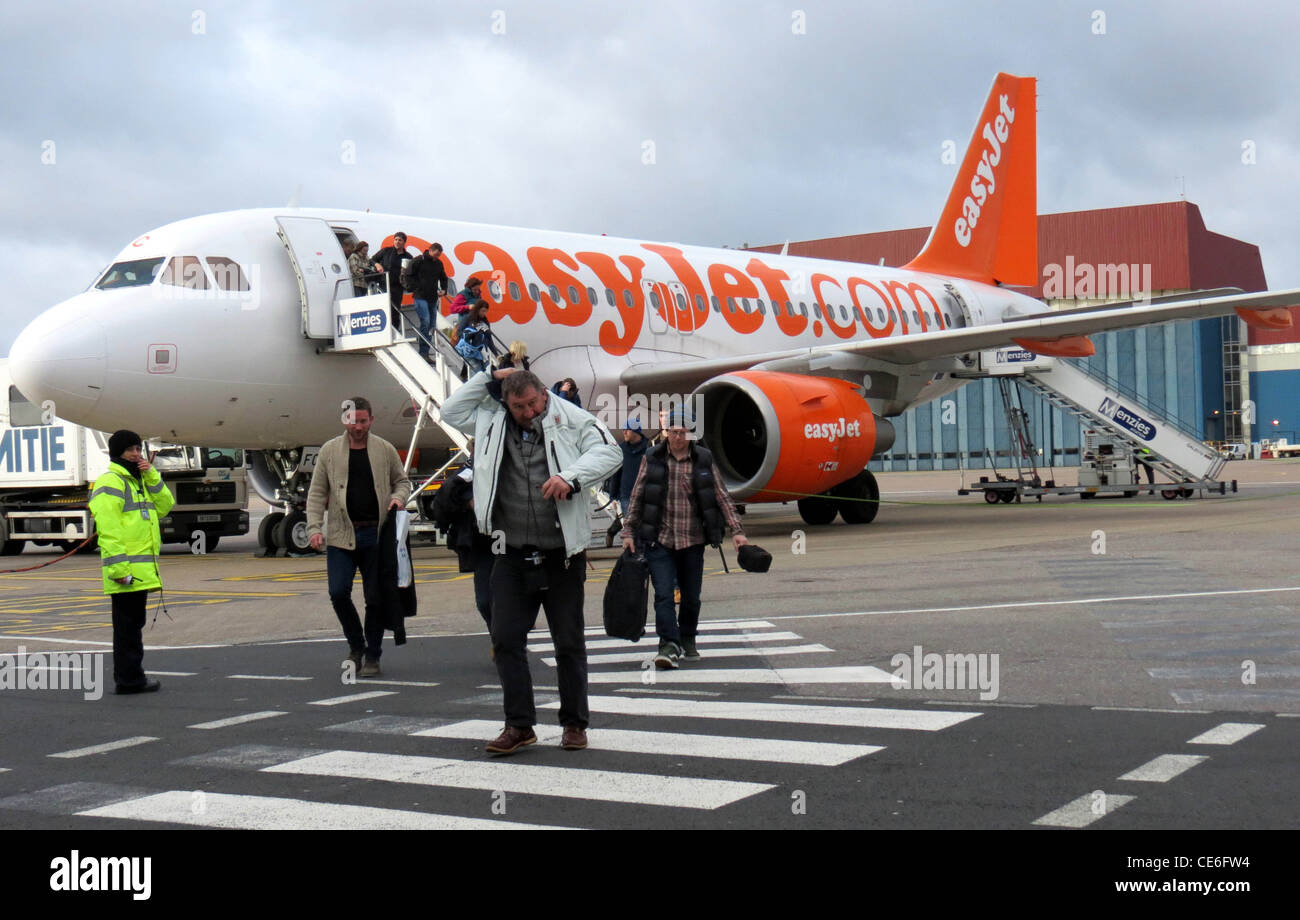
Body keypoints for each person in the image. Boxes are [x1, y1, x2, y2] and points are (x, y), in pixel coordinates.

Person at [441, 368, 622, 754]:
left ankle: (574, 723)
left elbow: (611, 452)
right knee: (505, 639)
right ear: (505, 402)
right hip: (510, 550)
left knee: (568, 642)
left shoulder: (572, 418)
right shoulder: (490, 417)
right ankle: (519, 724)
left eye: (533, 403)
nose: (527, 411)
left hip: (561, 553)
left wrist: (571, 477)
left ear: (543, 393)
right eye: (518, 405)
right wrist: (488, 376)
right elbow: (450, 412)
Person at [622, 409, 748, 669]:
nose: (677, 438)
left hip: (693, 540)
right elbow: (637, 496)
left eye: (683, 433)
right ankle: (668, 643)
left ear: (691, 434)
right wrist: (628, 532)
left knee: (691, 597)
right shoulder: (652, 457)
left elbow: (721, 496)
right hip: (660, 539)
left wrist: (737, 531)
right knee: (664, 595)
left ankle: (688, 637)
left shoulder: (703, 459)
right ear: (666, 432)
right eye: (673, 432)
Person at [305, 396, 412, 678]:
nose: (358, 426)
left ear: (371, 420)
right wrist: (314, 528)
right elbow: (316, 493)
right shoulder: (329, 451)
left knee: (374, 598)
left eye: (363, 421)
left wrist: (399, 499)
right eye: (353, 421)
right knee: (338, 592)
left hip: (375, 535)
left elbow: (402, 481)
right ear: (345, 420)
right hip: (341, 535)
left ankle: (373, 655)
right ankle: (356, 644)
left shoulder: (384, 449)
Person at [88, 430, 176, 694]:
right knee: (127, 628)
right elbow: (109, 531)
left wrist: (151, 474)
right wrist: (118, 570)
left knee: (133, 626)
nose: (136, 454)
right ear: (118, 453)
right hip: (126, 571)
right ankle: (129, 680)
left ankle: (130, 676)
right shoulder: (111, 482)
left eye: (138, 449)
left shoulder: (138, 482)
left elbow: (165, 505)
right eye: (131, 450)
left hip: (139, 571)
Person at [408, 243, 448, 360]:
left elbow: (443, 278)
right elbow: (407, 275)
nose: (436, 257)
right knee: (425, 321)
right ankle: (423, 351)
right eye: (435, 255)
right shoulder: (418, 261)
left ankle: (425, 351)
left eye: (438, 256)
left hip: (432, 297)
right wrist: (416, 287)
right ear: (430, 251)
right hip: (420, 296)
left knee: (432, 325)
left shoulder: (438, 264)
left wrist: (444, 290)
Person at [370, 232, 411, 321]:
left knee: (395, 309)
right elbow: (372, 259)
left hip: (398, 286)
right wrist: (377, 264)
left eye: (400, 240)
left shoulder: (408, 256)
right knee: (384, 307)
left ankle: (395, 329)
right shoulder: (386, 251)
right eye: (396, 239)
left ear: (404, 242)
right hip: (384, 284)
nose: (397, 242)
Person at [455, 301, 498, 375]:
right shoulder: (468, 318)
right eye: (483, 311)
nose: (484, 313)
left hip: (481, 351)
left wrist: (496, 354)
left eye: (486, 311)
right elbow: (459, 332)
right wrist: (469, 337)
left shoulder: (485, 321)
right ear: (478, 309)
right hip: (469, 350)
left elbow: (489, 339)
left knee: (485, 370)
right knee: (477, 371)